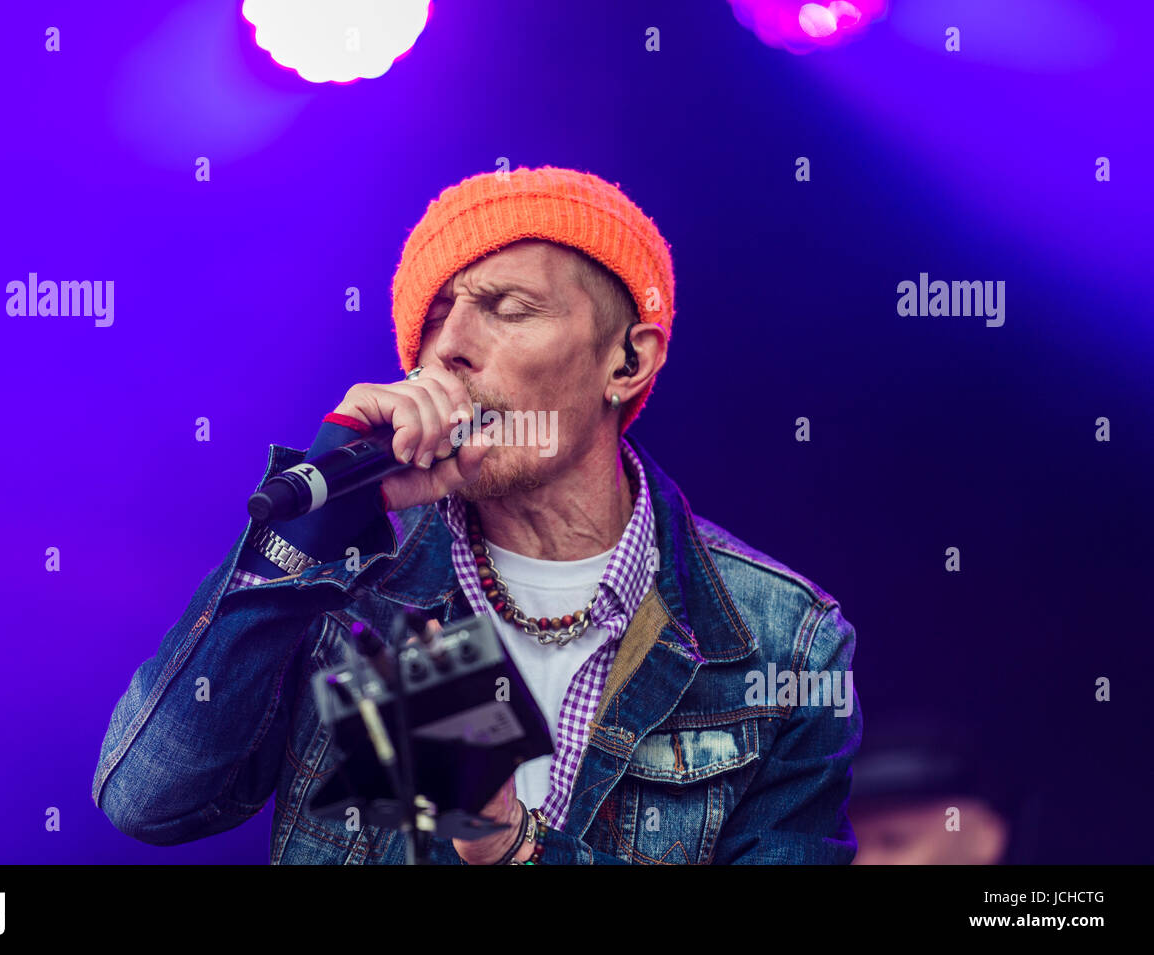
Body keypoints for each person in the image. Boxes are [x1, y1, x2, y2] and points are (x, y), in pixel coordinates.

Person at [92, 166, 863, 864]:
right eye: (434, 319)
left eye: (509, 309)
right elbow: (150, 801)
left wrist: (508, 842)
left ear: (627, 362)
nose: (451, 347)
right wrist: (303, 543)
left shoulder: (782, 640)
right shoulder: (356, 579)